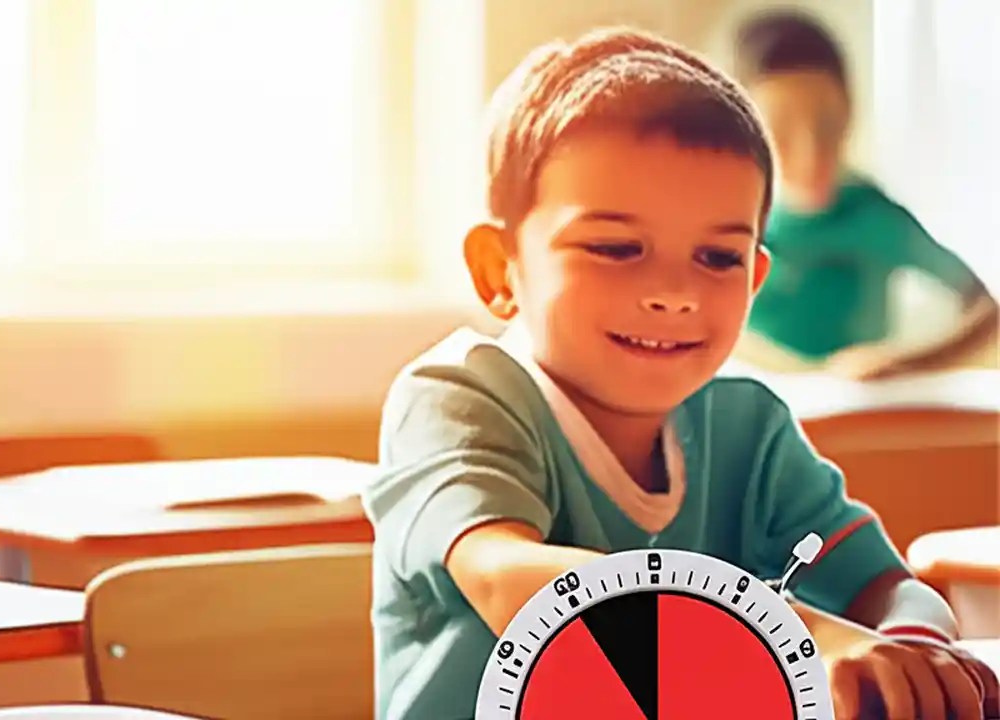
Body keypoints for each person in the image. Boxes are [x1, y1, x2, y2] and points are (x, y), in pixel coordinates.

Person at [361, 27, 998, 720]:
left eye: (718, 258)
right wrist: (807, 633)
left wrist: (911, 647)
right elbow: (507, 577)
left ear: (755, 278)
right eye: (616, 246)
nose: (674, 292)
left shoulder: (749, 428)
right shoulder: (458, 400)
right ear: (498, 269)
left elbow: (885, 585)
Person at [732, 10, 997, 380]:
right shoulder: (727, 220)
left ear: (851, 109)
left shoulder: (874, 217)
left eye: (827, 121)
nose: (812, 155)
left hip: (852, 421)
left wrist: (909, 363)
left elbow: (988, 310)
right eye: (782, 127)